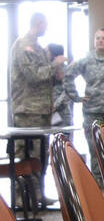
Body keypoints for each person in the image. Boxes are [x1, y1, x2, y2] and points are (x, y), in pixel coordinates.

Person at [9, 13, 66, 205]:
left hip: (40, 110)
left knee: (41, 154)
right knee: (26, 155)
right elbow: (33, 75)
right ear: (39, 23)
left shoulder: (37, 46)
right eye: (46, 25)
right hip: (28, 111)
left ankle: (38, 195)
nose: (46, 28)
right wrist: (55, 64)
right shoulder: (25, 45)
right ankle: (21, 198)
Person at [64, 28, 104, 185]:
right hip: (92, 111)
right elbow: (68, 75)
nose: (100, 41)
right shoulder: (85, 60)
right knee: (95, 148)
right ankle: (99, 184)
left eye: (103, 38)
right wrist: (76, 97)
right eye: (97, 38)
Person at [48, 44, 72, 127]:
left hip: (62, 114)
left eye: (47, 52)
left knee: (62, 138)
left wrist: (55, 106)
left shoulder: (66, 70)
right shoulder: (47, 70)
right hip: (47, 113)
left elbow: (68, 92)